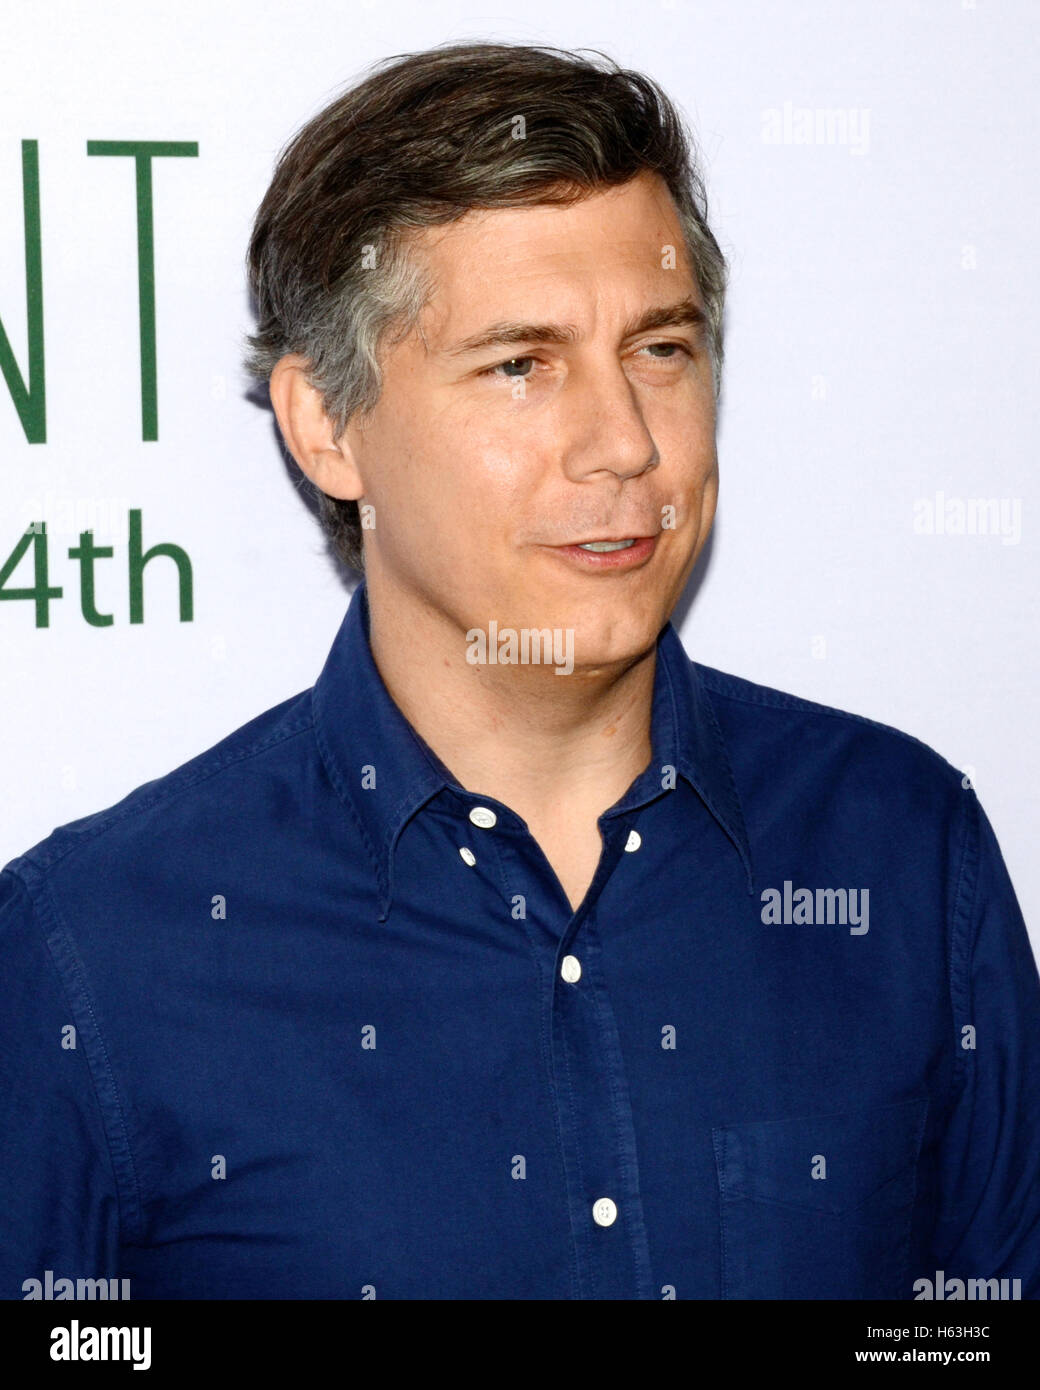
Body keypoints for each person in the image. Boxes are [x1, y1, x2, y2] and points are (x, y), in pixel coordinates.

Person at [2, 42, 1037, 1301]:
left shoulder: (899, 848)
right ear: (326, 426)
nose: (623, 444)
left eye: (659, 349)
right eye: (519, 365)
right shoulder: (95, 946)